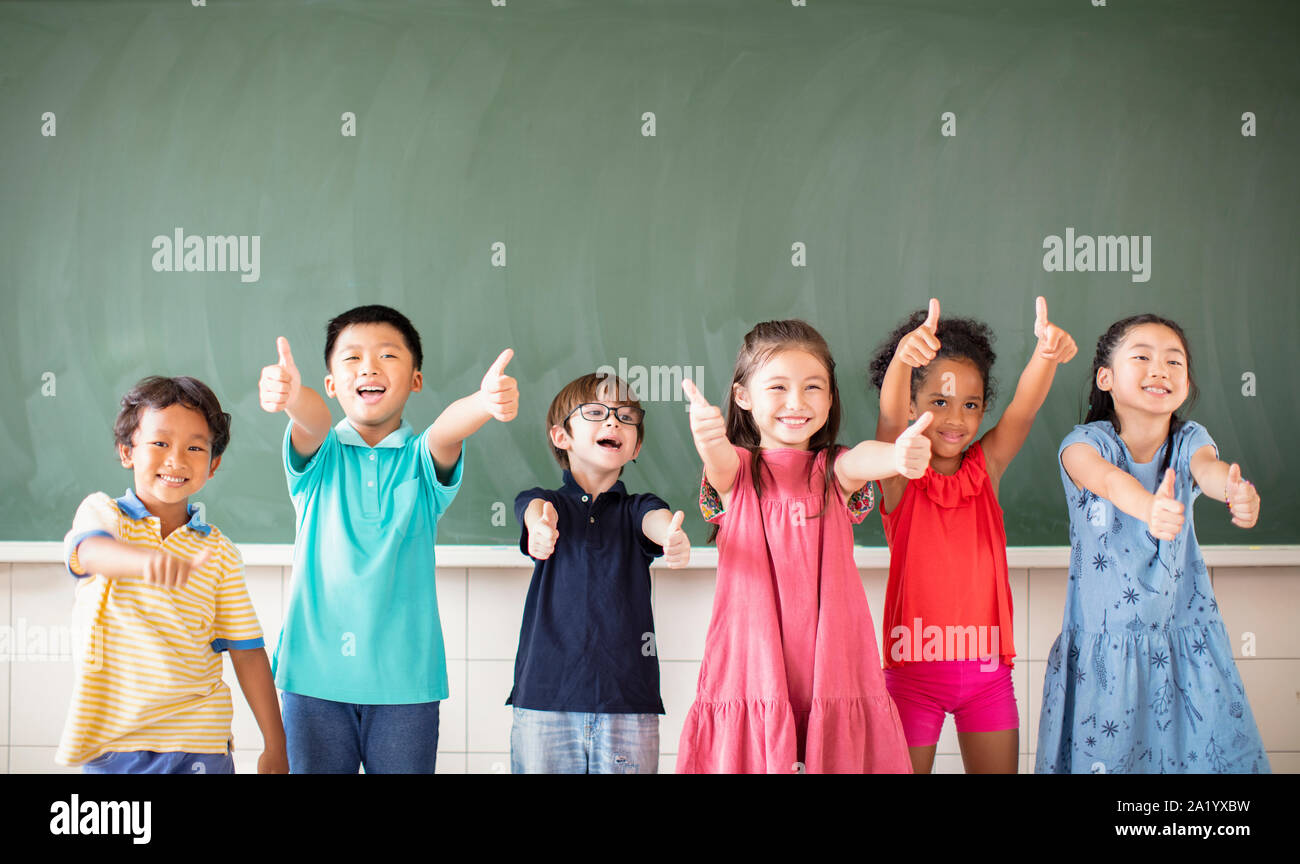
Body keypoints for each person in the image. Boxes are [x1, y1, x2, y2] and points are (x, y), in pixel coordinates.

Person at [258, 304, 517, 773]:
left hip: (406, 686)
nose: (370, 367)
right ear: (332, 383)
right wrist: (295, 396)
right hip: (314, 680)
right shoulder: (319, 458)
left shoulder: (421, 460)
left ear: (416, 379)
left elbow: (446, 430)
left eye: (388, 356)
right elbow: (312, 421)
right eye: (352, 358)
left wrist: (483, 404)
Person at [675, 319, 927, 773]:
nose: (797, 402)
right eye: (778, 387)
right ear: (742, 397)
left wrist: (896, 456)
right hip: (753, 669)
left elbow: (863, 458)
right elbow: (719, 463)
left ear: (830, 399)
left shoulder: (834, 470)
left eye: (814, 387)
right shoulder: (739, 473)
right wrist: (708, 440)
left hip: (833, 669)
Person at [1036, 313, 1269, 773]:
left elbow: (1210, 470)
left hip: (1189, 647)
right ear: (1106, 377)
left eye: (1174, 361)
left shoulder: (1189, 440)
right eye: (1142, 357)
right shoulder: (1083, 444)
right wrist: (1148, 508)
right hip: (1108, 655)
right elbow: (1106, 480)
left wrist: (1237, 492)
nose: (1160, 369)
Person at [869, 297, 1076, 773]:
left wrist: (1044, 356)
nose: (956, 419)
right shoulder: (897, 472)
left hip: (987, 679)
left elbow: (1023, 411)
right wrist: (903, 359)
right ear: (912, 405)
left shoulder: (987, 467)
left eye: (971, 405)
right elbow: (887, 422)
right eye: (938, 402)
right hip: (913, 677)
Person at [58, 376, 286, 773]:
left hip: (199, 744)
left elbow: (247, 652)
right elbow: (89, 552)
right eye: (160, 443)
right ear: (127, 451)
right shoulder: (103, 515)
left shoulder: (219, 553)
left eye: (195, 448)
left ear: (213, 464)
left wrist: (275, 743)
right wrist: (146, 563)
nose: (176, 460)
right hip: (113, 746)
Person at [511, 372, 690, 773]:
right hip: (545, 700)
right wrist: (540, 528)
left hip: (627, 704)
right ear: (562, 436)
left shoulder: (638, 507)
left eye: (626, 416)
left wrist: (672, 537)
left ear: (636, 445)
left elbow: (657, 522)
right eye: (595, 412)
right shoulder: (543, 502)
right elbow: (534, 513)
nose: (613, 422)